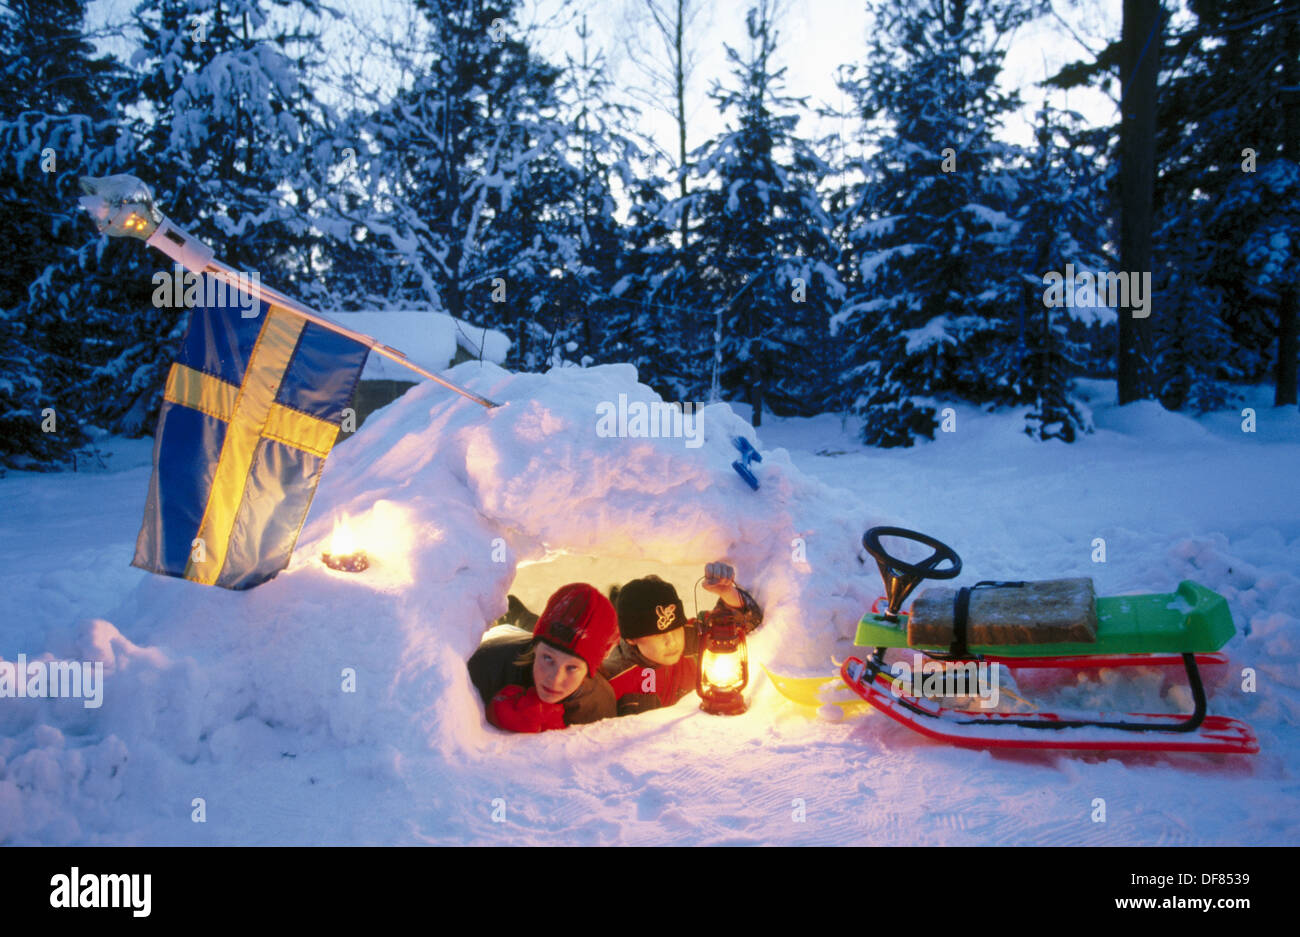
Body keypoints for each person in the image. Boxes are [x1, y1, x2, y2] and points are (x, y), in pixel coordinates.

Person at [600, 562, 762, 716]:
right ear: (631, 639)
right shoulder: (612, 679)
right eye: (657, 635)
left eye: (675, 628)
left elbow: (743, 622)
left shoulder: (695, 637)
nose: (671, 641)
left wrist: (727, 593)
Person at [467, 582, 619, 733]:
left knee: (531, 624)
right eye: (547, 659)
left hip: (529, 637)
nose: (555, 679)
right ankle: (512, 610)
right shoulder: (486, 665)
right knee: (523, 622)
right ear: (535, 648)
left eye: (572, 667)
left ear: (589, 670)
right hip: (505, 634)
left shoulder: (598, 705)